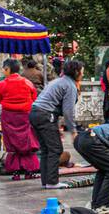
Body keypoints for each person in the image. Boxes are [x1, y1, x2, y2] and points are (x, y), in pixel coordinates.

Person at [30, 59, 83, 189]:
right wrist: (73, 131)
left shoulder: (58, 81)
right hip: (45, 115)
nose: (83, 73)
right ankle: (52, 182)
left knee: (46, 150)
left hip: (35, 113)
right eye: (82, 71)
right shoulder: (70, 85)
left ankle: (46, 181)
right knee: (55, 149)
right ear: (76, 72)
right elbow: (68, 111)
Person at [0, 59, 40, 179]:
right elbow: (34, 96)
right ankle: (30, 171)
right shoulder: (27, 82)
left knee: (12, 144)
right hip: (25, 115)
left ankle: (15, 172)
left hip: (8, 116)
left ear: (7, 69)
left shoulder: (2, 84)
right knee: (27, 143)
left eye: (3, 69)